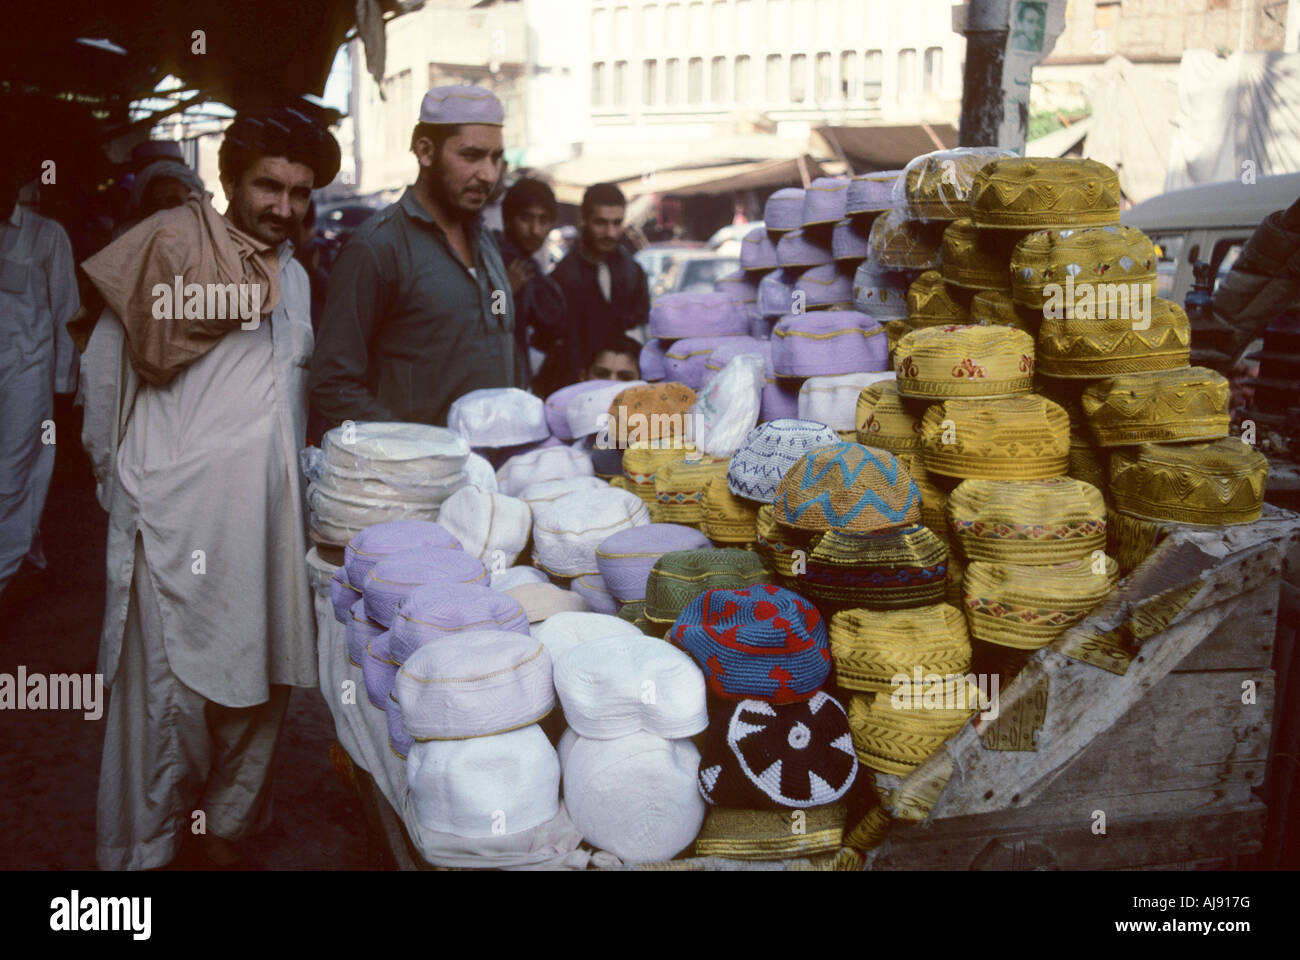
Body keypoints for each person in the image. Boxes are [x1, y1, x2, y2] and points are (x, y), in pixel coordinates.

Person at [78, 106, 340, 870]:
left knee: (261, 693)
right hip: (174, 529)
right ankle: (146, 859)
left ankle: (226, 835)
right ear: (229, 181)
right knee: (166, 707)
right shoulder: (170, 248)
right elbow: (104, 385)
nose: (283, 207)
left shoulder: (292, 276)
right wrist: (127, 491)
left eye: (298, 191)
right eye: (268, 186)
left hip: (263, 533)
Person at [309, 85, 515, 428]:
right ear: (425, 151)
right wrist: (416, 449)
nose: (489, 175)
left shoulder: (486, 242)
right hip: (419, 477)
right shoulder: (376, 247)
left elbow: (498, 341)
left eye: (496, 158)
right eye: (472, 156)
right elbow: (332, 385)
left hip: (496, 473)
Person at [0, 147, 80, 601]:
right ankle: (29, 559)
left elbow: (67, 311)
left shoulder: (47, 235)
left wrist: (63, 386)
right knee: (15, 475)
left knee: (11, 475)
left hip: (27, 377)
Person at [542, 182, 650, 395]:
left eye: (617, 223)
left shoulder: (633, 271)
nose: (610, 232)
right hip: (572, 393)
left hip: (623, 393)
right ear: (583, 220)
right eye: (601, 223)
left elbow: (641, 333)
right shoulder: (560, 278)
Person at [495, 177, 565, 390]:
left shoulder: (529, 267)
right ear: (509, 220)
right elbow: (481, 319)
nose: (535, 230)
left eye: (543, 221)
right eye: (526, 219)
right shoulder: (493, 257)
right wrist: (504, 291)